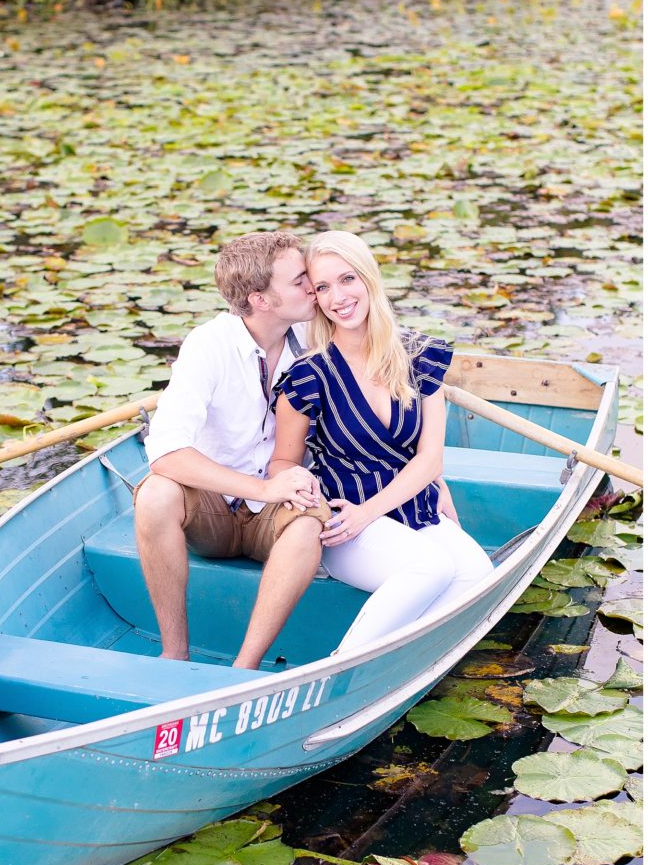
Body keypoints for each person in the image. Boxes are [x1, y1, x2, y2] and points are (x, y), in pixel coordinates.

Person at [271, 230, 493, 652]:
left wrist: (379, 508)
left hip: (406, 506)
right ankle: (341, 669)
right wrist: (307, 493)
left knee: (475, 574)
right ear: (314, 298)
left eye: (347, 279)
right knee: (428, 568)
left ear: (369, 278)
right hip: (343, 523)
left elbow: (430, 461)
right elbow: (282, 462)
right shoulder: (309, 375)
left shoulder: (419, 356)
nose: (338, 297)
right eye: (322, 287)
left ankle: (397, 664)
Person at [135, 231, 332, 670]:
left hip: (280, 512)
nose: (312, 286)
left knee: (306, 528)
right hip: (216, 512)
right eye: (299, 279)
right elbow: (166, 451)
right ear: (260, 300)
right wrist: (261, 489)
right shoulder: (209, 344)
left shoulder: (318, 333)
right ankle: (174, 653)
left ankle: (243, 668)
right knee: (155, 493)